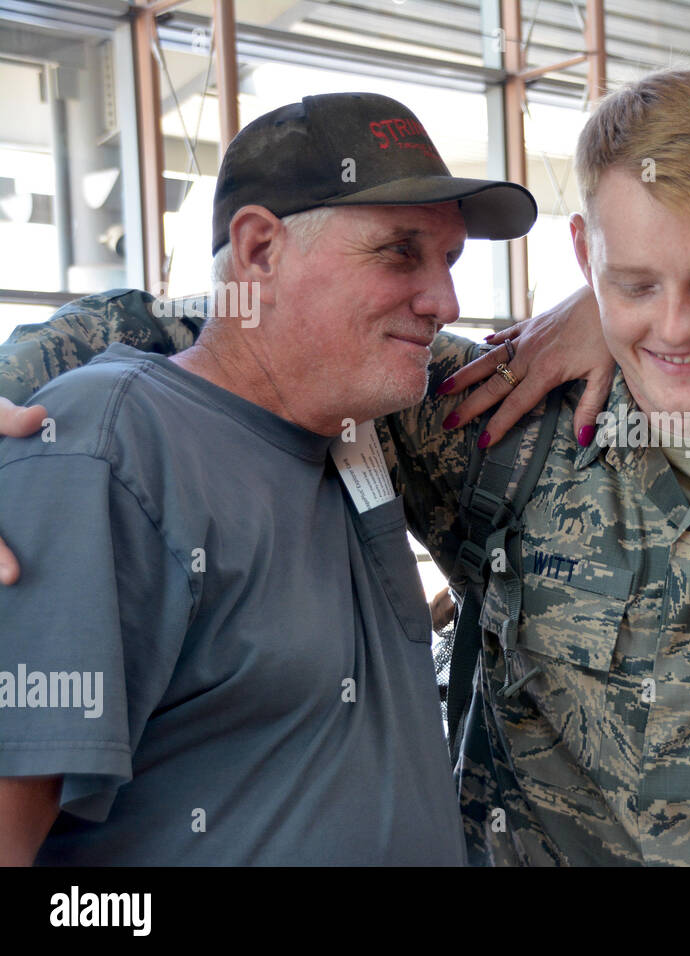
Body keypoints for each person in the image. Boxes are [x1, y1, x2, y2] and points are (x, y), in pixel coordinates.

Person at [0, 71, 690, 866]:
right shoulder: (498, 419)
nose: (676, 325)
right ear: (586, 256)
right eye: (637, 281)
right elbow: (208, 338)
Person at [0, 90, 539, 864]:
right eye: (400, 252)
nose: (445, 302)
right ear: (259, 251)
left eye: (450, 261)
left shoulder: (352, 434)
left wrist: (607, 305)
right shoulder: (112, 446)